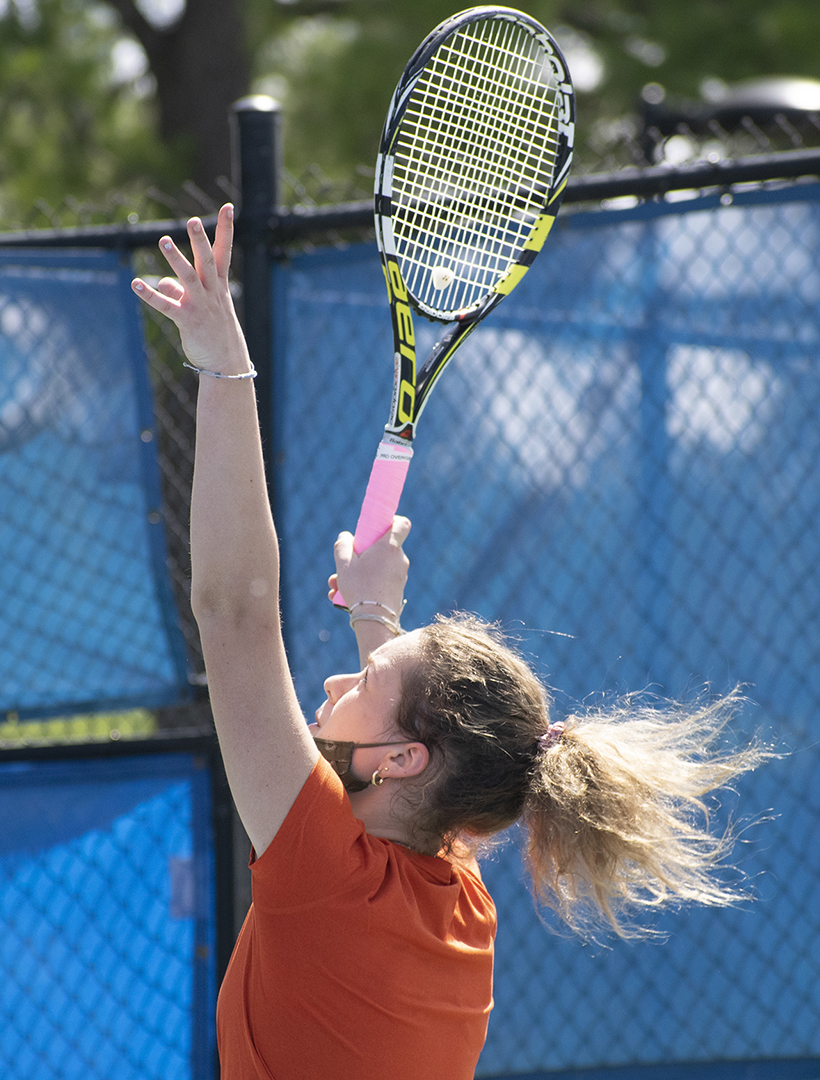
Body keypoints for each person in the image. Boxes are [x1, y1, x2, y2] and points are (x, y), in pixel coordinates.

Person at [134, 206, 772, 1080]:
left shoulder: (334, 869)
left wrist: (224, 366)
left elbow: (235, 615)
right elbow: (426, 747)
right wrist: (380, 627)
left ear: (400, 761)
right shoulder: (453, 890)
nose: (333, 681)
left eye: (364, 680)